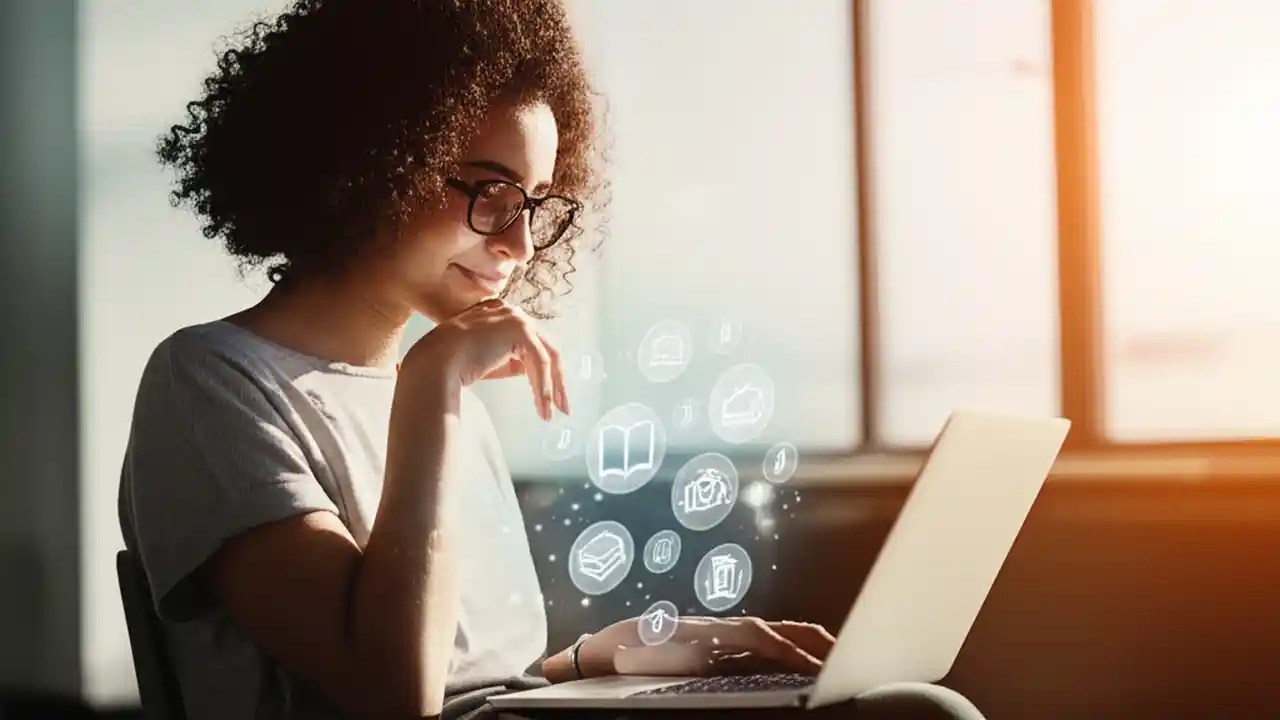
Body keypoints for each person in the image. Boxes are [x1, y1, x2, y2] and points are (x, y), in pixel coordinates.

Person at [117, 1, 985, 718]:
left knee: (898, 701)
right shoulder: (212, 382)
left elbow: (486, 679)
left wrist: (617, 654)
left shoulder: (438, 389)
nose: (523, 243)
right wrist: (434, 387)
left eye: (537, 203)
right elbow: (393, 696)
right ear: (368, 161)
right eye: (490, 192)